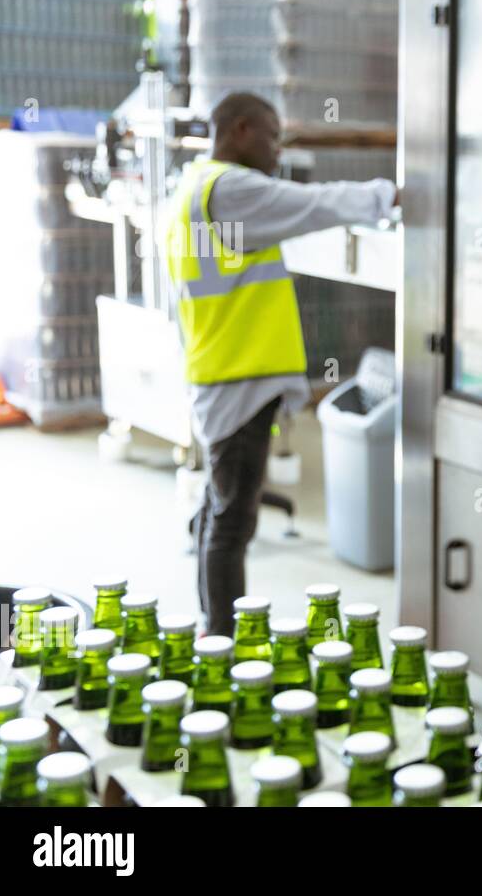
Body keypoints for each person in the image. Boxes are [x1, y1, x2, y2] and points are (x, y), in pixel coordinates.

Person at [165, 92, 398, 636]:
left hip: (222, 369)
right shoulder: (230, 189)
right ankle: (222, 639)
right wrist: (390, 194)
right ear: (240, 130)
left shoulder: (196, 186)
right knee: (233, 521)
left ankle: (212, 627)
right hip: (238, 378)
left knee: (218, 507)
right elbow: (311, 204)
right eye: (271, 136)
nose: (277, 150)